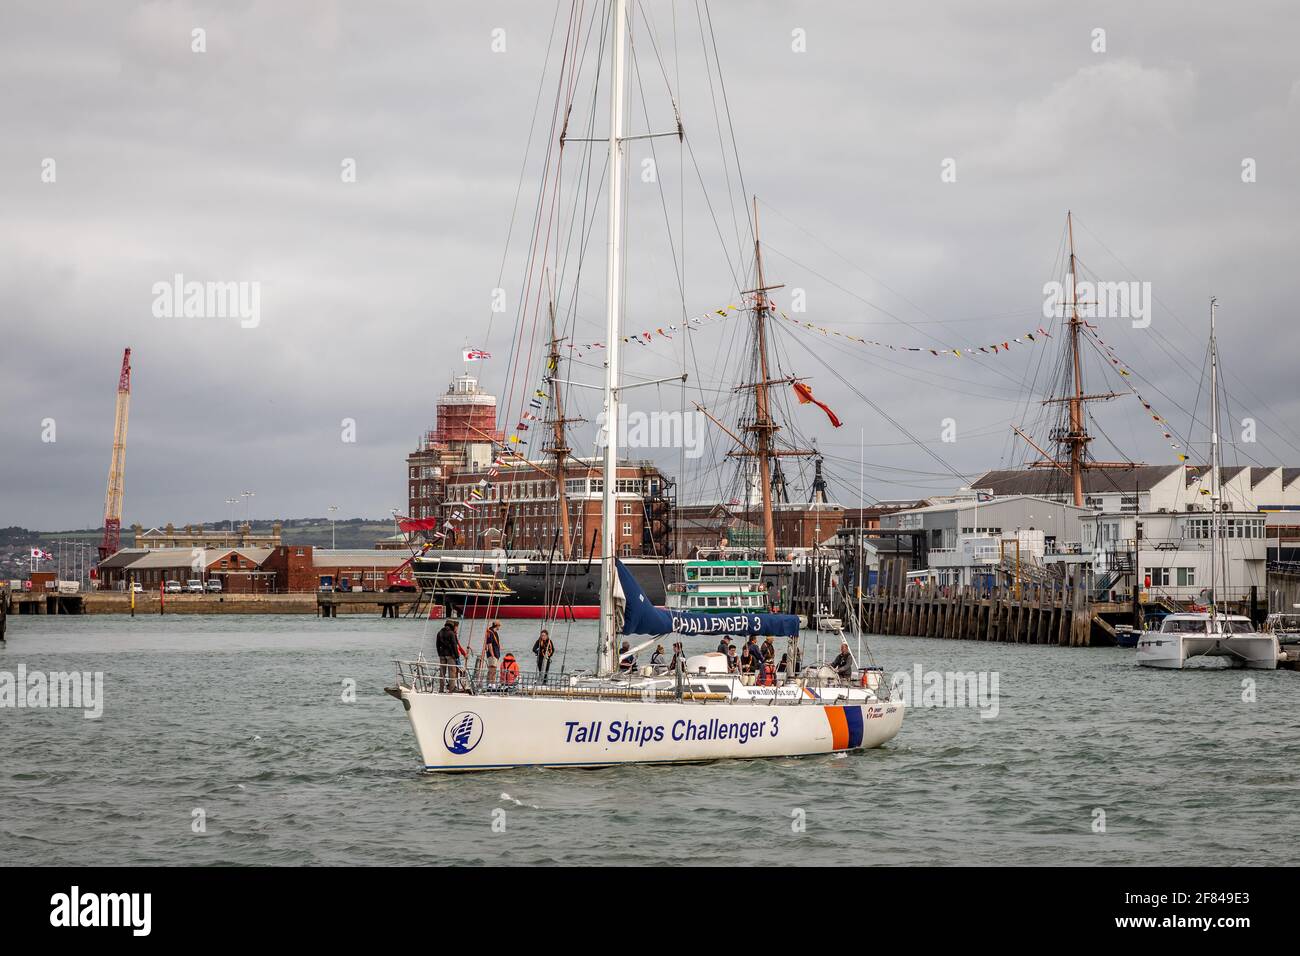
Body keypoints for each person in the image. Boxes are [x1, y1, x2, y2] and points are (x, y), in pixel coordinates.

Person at [434, 620, 459, 692]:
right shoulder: (451, 633)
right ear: (451, 626)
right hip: (450, 655)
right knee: (452, 672)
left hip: (442, 655)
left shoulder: (439, 633)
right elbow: (454, 645)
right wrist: (457, 656)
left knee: (442, 673)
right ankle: (451, 689)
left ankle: (441, 689)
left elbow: (437, 645)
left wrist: (439, 654)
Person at [483, 620, 502, 685]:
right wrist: (492, 654)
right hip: (492, 654)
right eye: (499, 625)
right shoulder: (490, 632)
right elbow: (489, 644)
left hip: (496, 654)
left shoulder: (495, 633)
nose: (500, 627)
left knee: (493, 670)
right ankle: (491, 685)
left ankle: (490, 684)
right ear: (497, 625)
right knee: (492, 670)